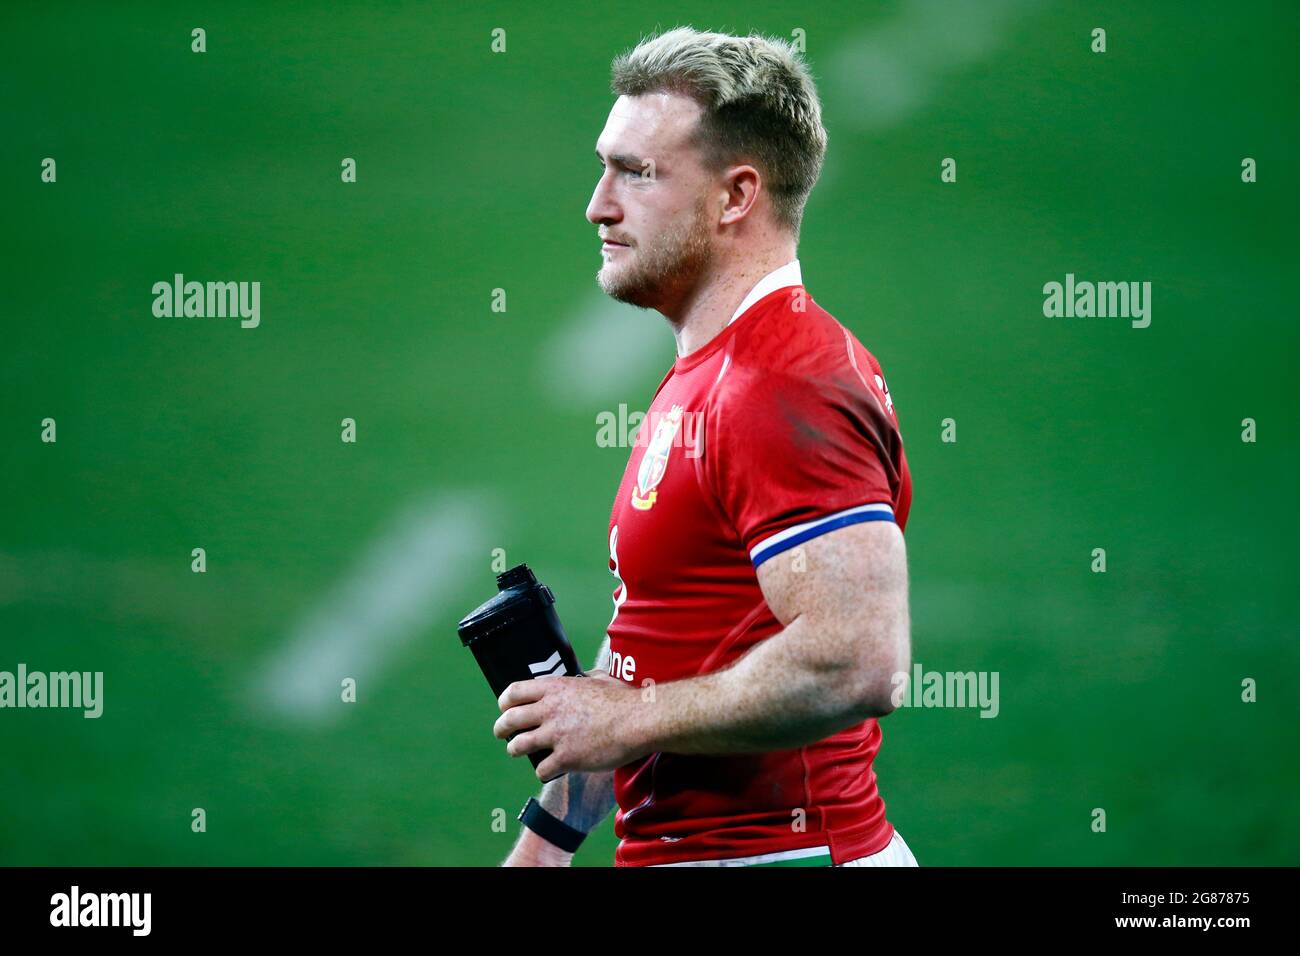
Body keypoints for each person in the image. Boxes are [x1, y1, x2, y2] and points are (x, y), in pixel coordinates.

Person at [494, 26, 917, 867]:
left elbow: (860, 662)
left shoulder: (784, 384)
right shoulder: (717, 369)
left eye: (636, 173)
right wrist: (545, 844)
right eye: (605, 164)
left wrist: (627, 717)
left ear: (735, 198)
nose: (598, 203)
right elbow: (657, 634)